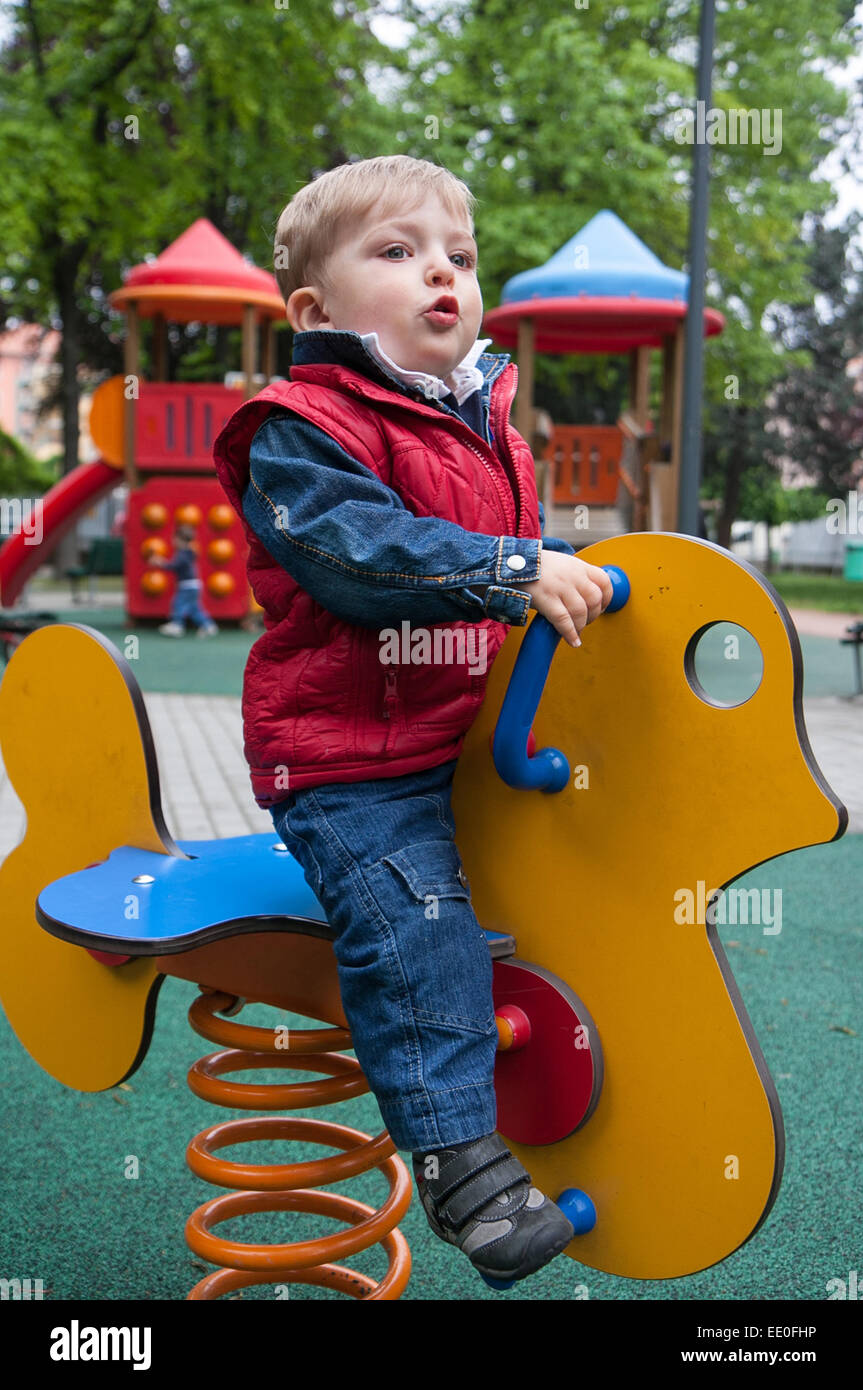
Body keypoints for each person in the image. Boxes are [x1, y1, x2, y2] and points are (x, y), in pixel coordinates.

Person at [212, 155, 613, 1285]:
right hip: (351, 763)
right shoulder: (300, 425)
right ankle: (458, 1165)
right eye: (396, 252)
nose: (440, 271)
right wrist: (507, 567)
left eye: (458, 256)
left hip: (462, 744)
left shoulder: (490, 425)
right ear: (314, 310)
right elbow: (355, 554)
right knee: (420, 923)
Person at [153, 523, 218, 637]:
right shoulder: (189, 552)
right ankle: (208, 625)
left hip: (187, 585)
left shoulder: (182, 554)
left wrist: (161, 563)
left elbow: (174, 566)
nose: (173, 541)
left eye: (174, 539)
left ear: (179, 539)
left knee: (178, 604)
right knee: (194, 608)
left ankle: (177, 625)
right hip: (193, 584)